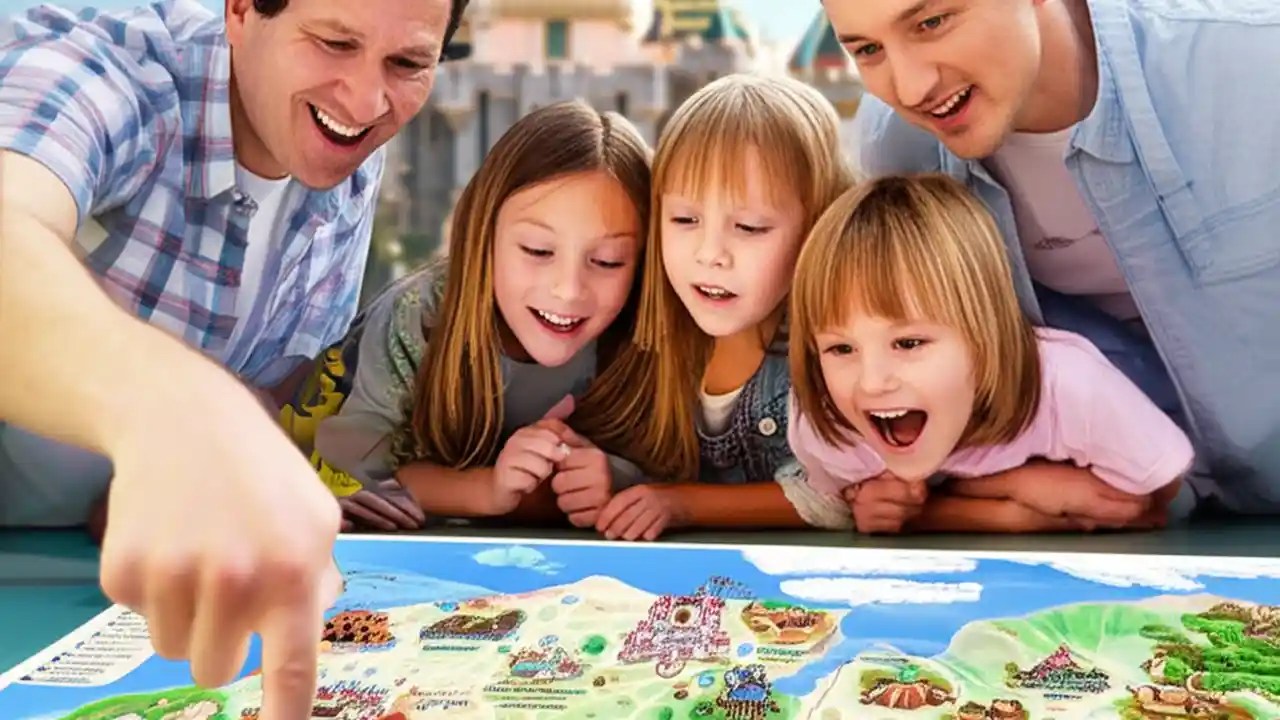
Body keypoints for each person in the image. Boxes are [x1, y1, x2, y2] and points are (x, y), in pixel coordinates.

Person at [0, 0, 465, 713]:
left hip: (77, 591)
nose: (367, 102)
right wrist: (177, 411)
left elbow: (272, 382)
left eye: (406, 64)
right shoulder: (113, 68)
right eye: (334, 43)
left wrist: (284, 469)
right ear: (241, 10)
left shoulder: (344, 153)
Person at [822, 0, 1280, 517]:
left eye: (932, 23)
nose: (910, 89)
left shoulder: (1259, 63)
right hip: (1149, 531)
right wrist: (1000, 490)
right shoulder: (899, 152)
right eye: (868, 49)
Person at [280, 100, 651, 532]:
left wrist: (608, 477)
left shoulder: (637, 337)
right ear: (484, 235)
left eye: (608, 261)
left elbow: (664, 465)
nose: (568, 289)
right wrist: (489, 491)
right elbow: (361, 474)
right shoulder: (418, 317)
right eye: (537, 251)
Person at [786, 174, 1191, 534]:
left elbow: (1157, 501)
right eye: (841, 348)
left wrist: (1020, 485)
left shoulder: (1069, 386)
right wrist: (1003, 512)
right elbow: (860, 507)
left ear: (984, 335)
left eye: (909, 343)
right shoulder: (832, 426)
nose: (872, 382)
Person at [571, 73, 856, 541]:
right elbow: (630, 454)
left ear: (817, 228)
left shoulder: (833, 356)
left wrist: (683, 503)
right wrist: (601, 472)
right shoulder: (642, 336)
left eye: (749, 227)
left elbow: (835, 495)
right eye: (685, 219)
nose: (710, 254)